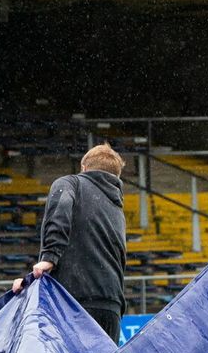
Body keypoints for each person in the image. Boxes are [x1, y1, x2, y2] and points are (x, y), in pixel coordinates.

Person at [12, 143, 128, 342]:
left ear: (83, 168)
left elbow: (61, 211)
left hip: (73, 300)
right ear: (116, 177)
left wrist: (49, 257)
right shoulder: (117, 207)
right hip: (111, 306)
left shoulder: (70, 183)